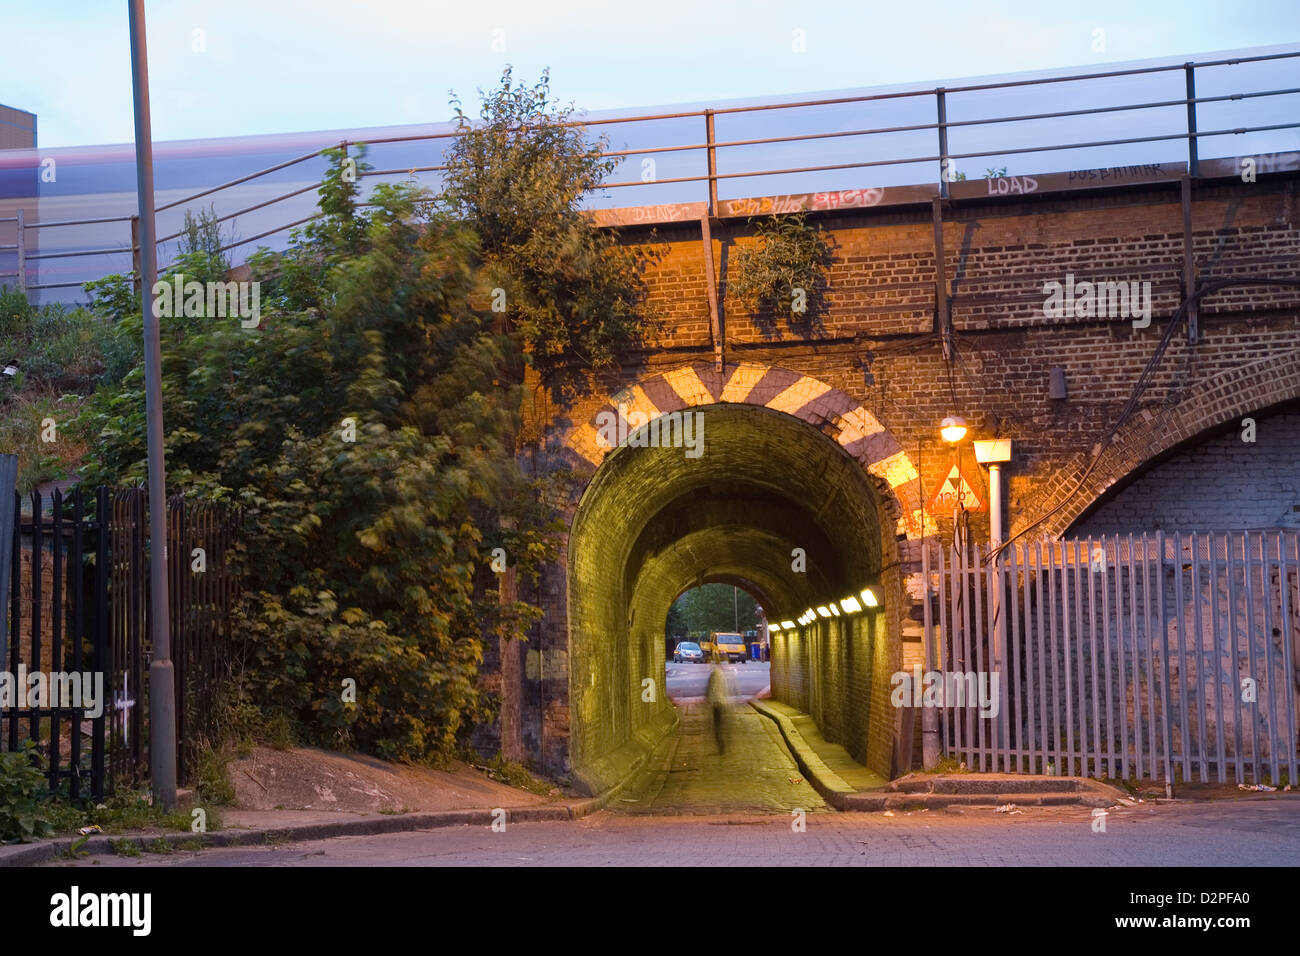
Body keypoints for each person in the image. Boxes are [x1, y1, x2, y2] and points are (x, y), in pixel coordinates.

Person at [705, 663, 732, 754]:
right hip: (722, 702)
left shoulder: (714, 674)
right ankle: (722, 746)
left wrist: (710, 700)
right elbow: (725, 688)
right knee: (720, 725)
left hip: (717, 703)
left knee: (717, 726)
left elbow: (712, 688)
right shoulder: (722, 674)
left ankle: (721, 746)